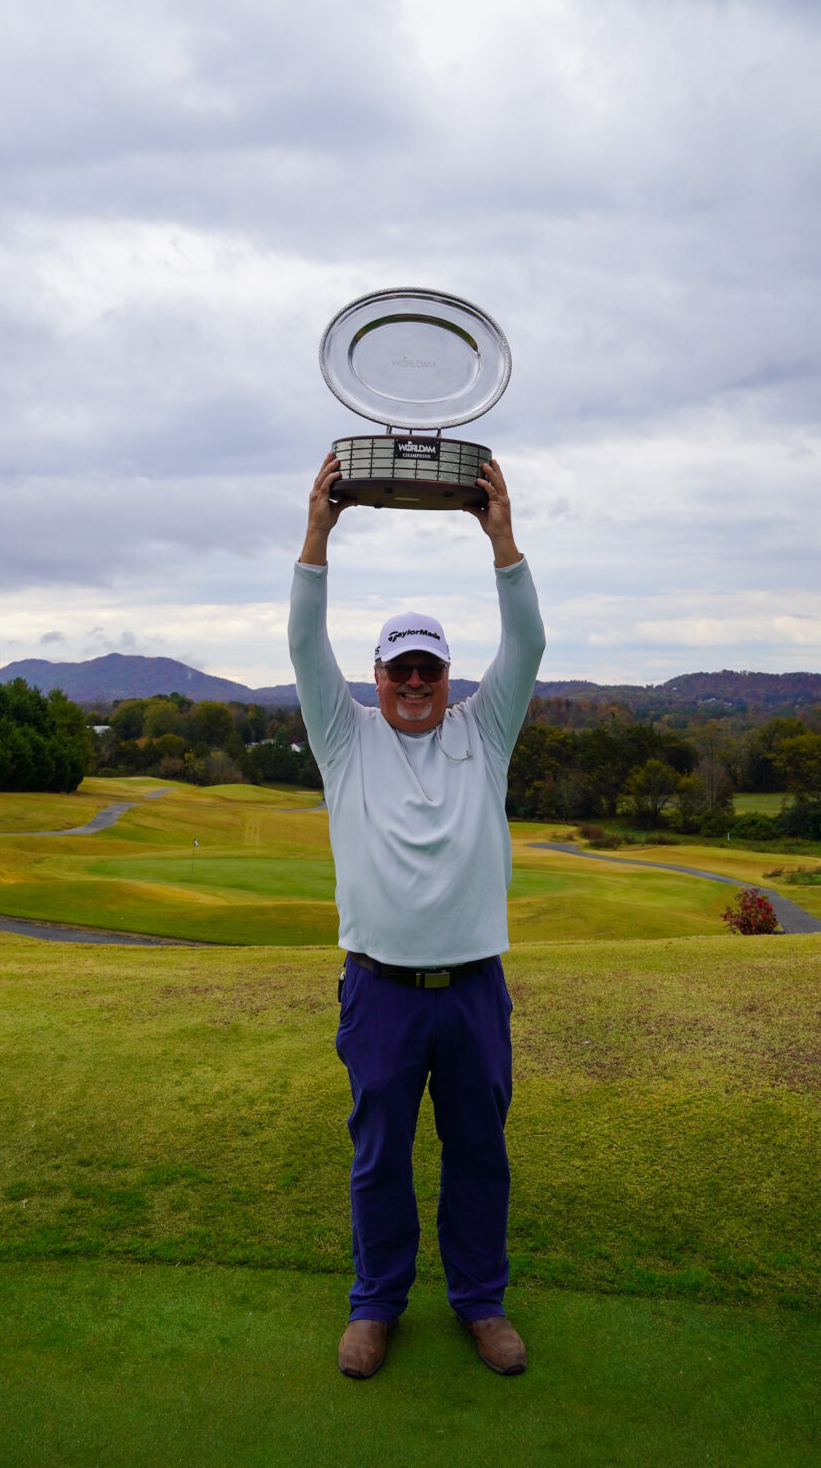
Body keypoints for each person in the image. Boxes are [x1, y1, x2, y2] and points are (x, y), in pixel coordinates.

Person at [288, 450, 545, 1380]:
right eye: (400, 667)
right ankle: (376, 1305)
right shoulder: (344, 737)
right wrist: (317, 535)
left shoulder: (485, 729)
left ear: (447, 674)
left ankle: (480, 1302)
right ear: (377, 673)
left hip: (473, 990)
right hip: (380, 992)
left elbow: (528, 646)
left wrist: (502, 542)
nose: (414, 681)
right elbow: (303, 646)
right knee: (379, 1158)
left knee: (479, 1155)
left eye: (428, 668)